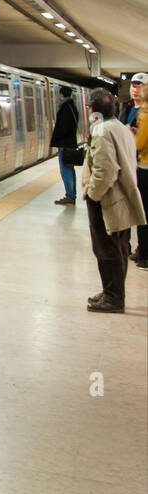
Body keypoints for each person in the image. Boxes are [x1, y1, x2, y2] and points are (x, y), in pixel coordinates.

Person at [82, 88, 146, 313]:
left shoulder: (101, 131)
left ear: (93, 109)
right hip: (122, 198)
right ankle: (111, 292)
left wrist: (92, 194)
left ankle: (113, 298)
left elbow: (105, 170)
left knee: (106, 250)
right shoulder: (121, 128)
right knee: (118, 248)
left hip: (108, 200)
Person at [125, 72, 148, 268]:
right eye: (133, 85)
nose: (135, 89)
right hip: (130, 166)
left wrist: (131, 134)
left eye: (139, 86)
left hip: (142, 166)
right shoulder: (129, 109)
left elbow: (139, 143)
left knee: (143, 211)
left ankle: (144, 250)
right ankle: (137, 247)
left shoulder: (145, 113)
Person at [50, 85, 80, 204]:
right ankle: (71, 195)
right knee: (70, 169)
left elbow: (63, 127)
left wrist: (57, 139)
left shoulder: (65, 108)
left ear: (61, 94)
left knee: (65, 170)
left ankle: (70, 196)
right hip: (70, 142)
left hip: (65, 144)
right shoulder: (72, 106)